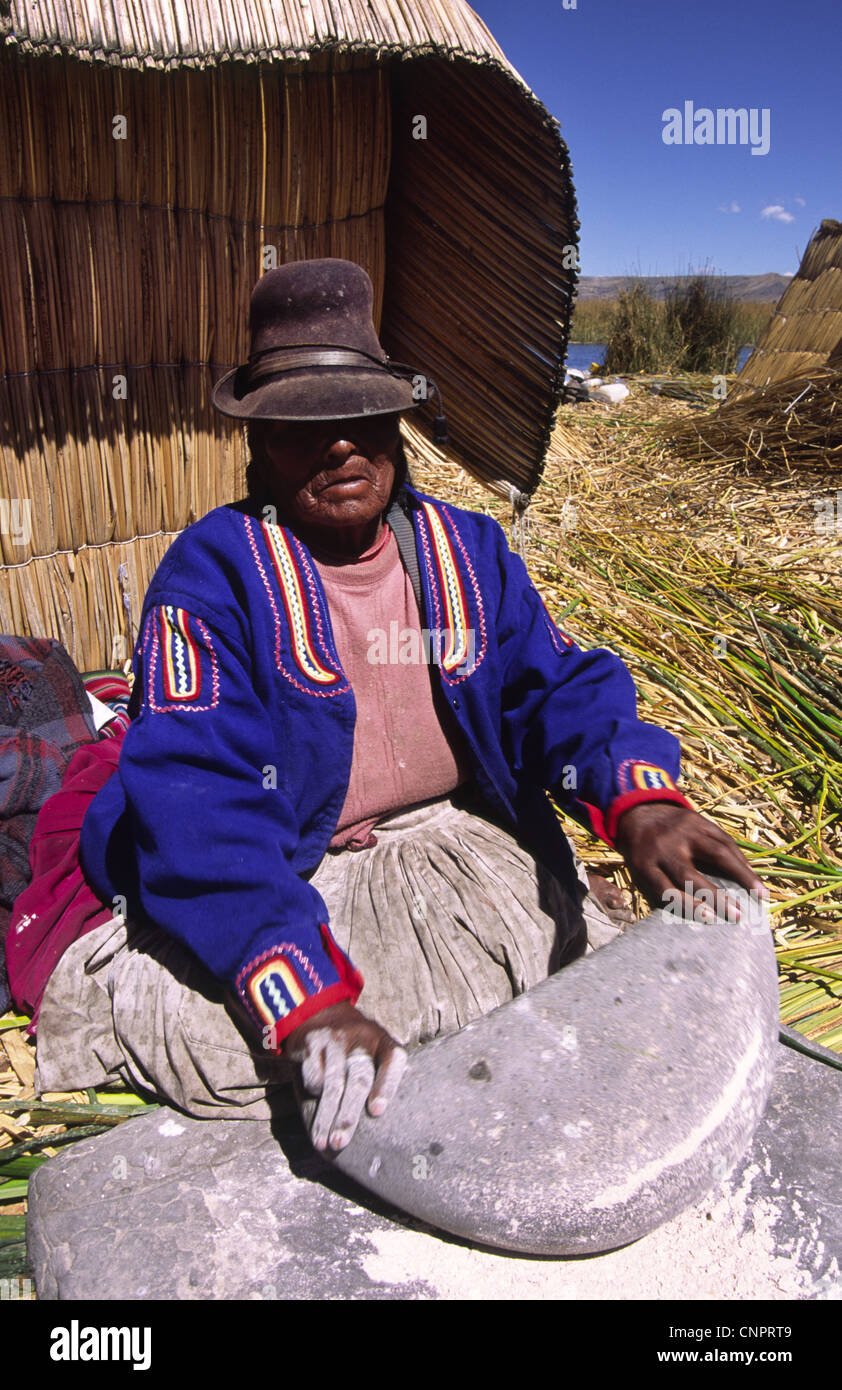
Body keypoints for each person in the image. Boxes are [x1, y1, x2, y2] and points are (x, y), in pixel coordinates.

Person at [34, 259, 765, 1155]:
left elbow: (555, 688)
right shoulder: (212, 574)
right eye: (303, 430)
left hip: (460, 847)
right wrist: (307, 999)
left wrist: (639, 798)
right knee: (275, 1067)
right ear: (259, 447)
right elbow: (196, 796)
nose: (339, 448)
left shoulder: (467, 548)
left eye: (360, 421)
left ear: (395, 429)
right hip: (298, 875)